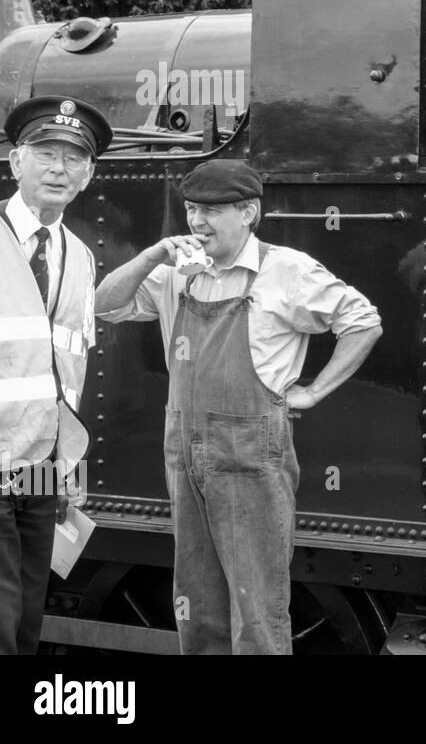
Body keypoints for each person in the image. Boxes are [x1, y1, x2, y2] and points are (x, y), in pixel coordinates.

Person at [94, 159, 382, 654]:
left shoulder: (285, 269)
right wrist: (151, 257)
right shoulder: (175, 275)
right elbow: (104, 304)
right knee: (197, 600)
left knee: (256, 608)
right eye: (191, 210)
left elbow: (362, 321)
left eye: (211, 211)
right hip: (185, 454)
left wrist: (313, 392)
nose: (198, 222)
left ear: (249, 212)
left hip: (251, 455)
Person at [0, 95, 111, 654]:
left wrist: (63, 470)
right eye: (45, 153)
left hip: (40, 471)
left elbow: (65, 366)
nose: (59, 168)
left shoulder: (79, 256)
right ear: (15, 162)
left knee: (26, 620)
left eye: (74, 158)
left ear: (88, 175)